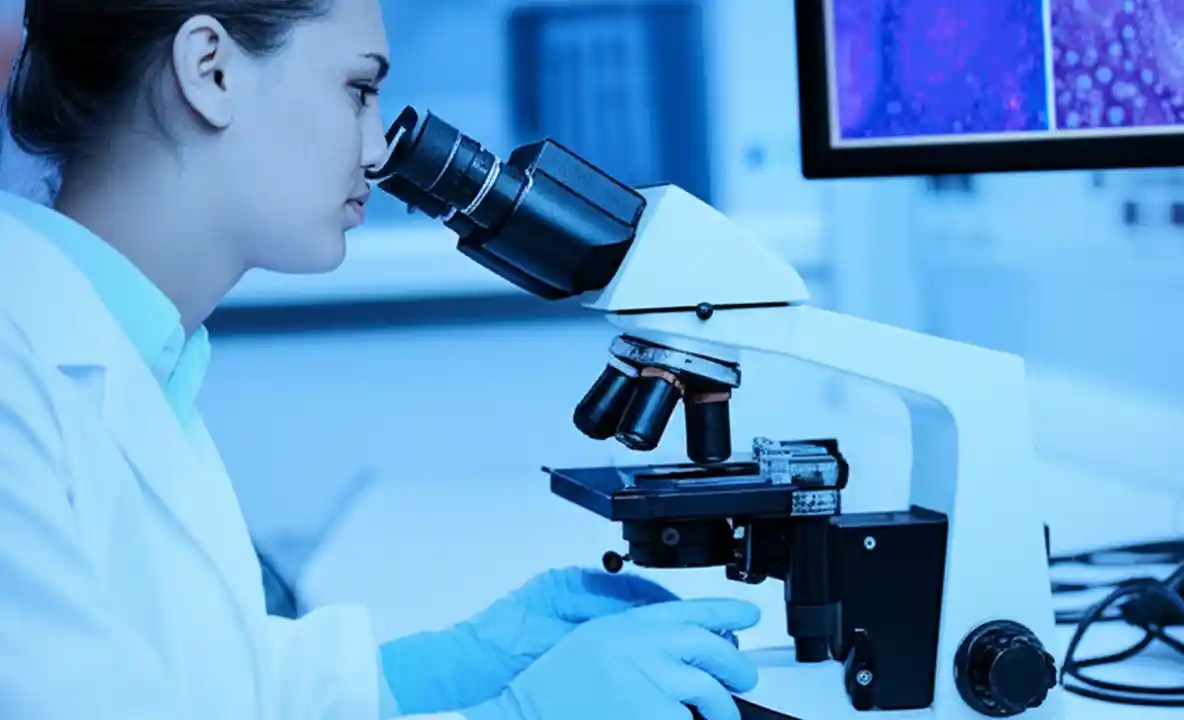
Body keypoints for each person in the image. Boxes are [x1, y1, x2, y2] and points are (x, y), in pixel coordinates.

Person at [0, 1, 762, 719]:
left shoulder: (137, 352)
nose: (376, 153)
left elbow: (196, 680)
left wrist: (455, 661)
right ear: (211, 69)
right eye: (357, 90)